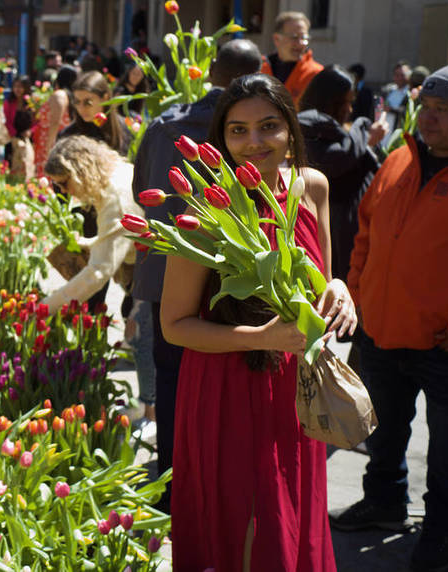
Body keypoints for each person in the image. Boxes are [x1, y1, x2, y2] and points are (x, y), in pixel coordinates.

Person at [162, 72, 353, 572]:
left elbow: (319, 279)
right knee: (244, 525)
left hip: (295, 386)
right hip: (224, 384)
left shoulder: (312, 187)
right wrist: (262, 336)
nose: (254, 142)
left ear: (290, 129)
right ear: (220, 139)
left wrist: (340, 290)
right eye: (238, 130)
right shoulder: (206, 210)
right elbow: (175, 325)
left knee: (289, 516)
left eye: (268, 126)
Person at [331, 60, 448, 572]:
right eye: (428, 107)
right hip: (381, 330)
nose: (429, 118)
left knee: (447, 449)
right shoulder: (400, 158)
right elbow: (366, 236)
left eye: (445, 110)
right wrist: (356, 298)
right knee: (385, 430)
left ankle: (441, 531)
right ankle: (384, 502)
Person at [130, 38, 264, 513]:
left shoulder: (165, 125)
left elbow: (140, 190)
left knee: (170, 381)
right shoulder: (258, 133)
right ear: (260, 71)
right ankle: (218, 489)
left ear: (209, 72)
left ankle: (172, 485)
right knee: (226, 387)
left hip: (163, 269)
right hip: (235, 284)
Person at [297, 65, 385, 282]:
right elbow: (338, 162)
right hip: (334, 225)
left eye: (351, 102)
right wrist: (364, 135)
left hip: (347, 223)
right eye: (345, 102)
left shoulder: (333, 130)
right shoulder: (311, 127)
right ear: (329, 101)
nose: (350, 109)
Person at [41, 136, 141, 311]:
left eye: (64, 183)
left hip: (152, 278)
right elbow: (119, 236)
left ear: (81, 172)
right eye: (57, 185)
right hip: (149, 270)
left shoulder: (115, 200)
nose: (63, 191)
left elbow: (99, 271)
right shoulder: (115, 172)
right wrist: (90, 243)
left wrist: (45, 307)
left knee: (140, 335)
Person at [59, 70, 132, 155]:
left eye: (88, 102)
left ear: (105, 98)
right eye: (77, 102)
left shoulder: (124, 129)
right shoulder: (68, 135)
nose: (81, 108)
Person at [261, 11, 323, 106]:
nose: (300, 43)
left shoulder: (316, 74)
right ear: (277, 39)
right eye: (294, 37)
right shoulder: (260, 70)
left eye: (304, 38)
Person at [33, 65, 77, 178]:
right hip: (58, 140)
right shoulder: (70, 96)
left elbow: (55, 122)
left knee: (48, 177)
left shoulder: (59, 95)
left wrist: (49, 147)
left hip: (50, 140)